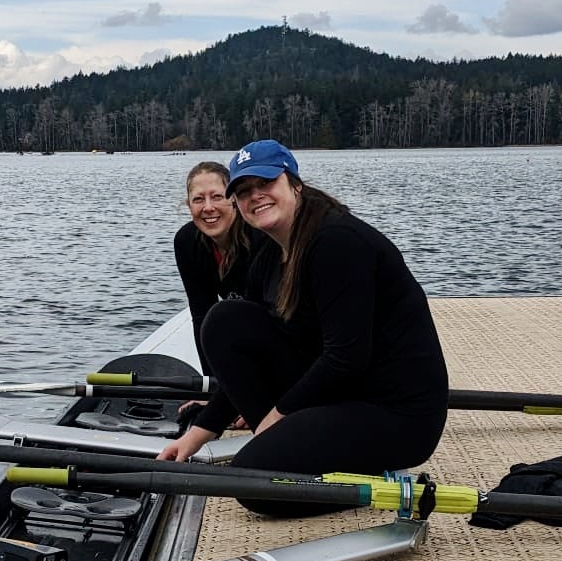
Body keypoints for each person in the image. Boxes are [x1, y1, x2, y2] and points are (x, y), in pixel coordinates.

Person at [159, 140, 449, 506]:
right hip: (346, 393)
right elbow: (258, 342)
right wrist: (200, 433)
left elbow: (345, 358)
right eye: (245, 191)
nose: (256, 197)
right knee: (224, 322)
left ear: (294, 183)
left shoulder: (336, 242)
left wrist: (276, 417)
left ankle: (357, 474)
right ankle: (297, 448)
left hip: (397, 413)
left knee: (253, 485)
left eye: (266, 184)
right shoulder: (270, 253)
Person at [173, 160, 252, 369]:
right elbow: (202, 315)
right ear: (189, 205)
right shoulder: (187, 242)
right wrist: (210, 386)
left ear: (233, 200)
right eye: (198, 199)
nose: (208, 207)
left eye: (217, 196)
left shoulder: (258, 236)